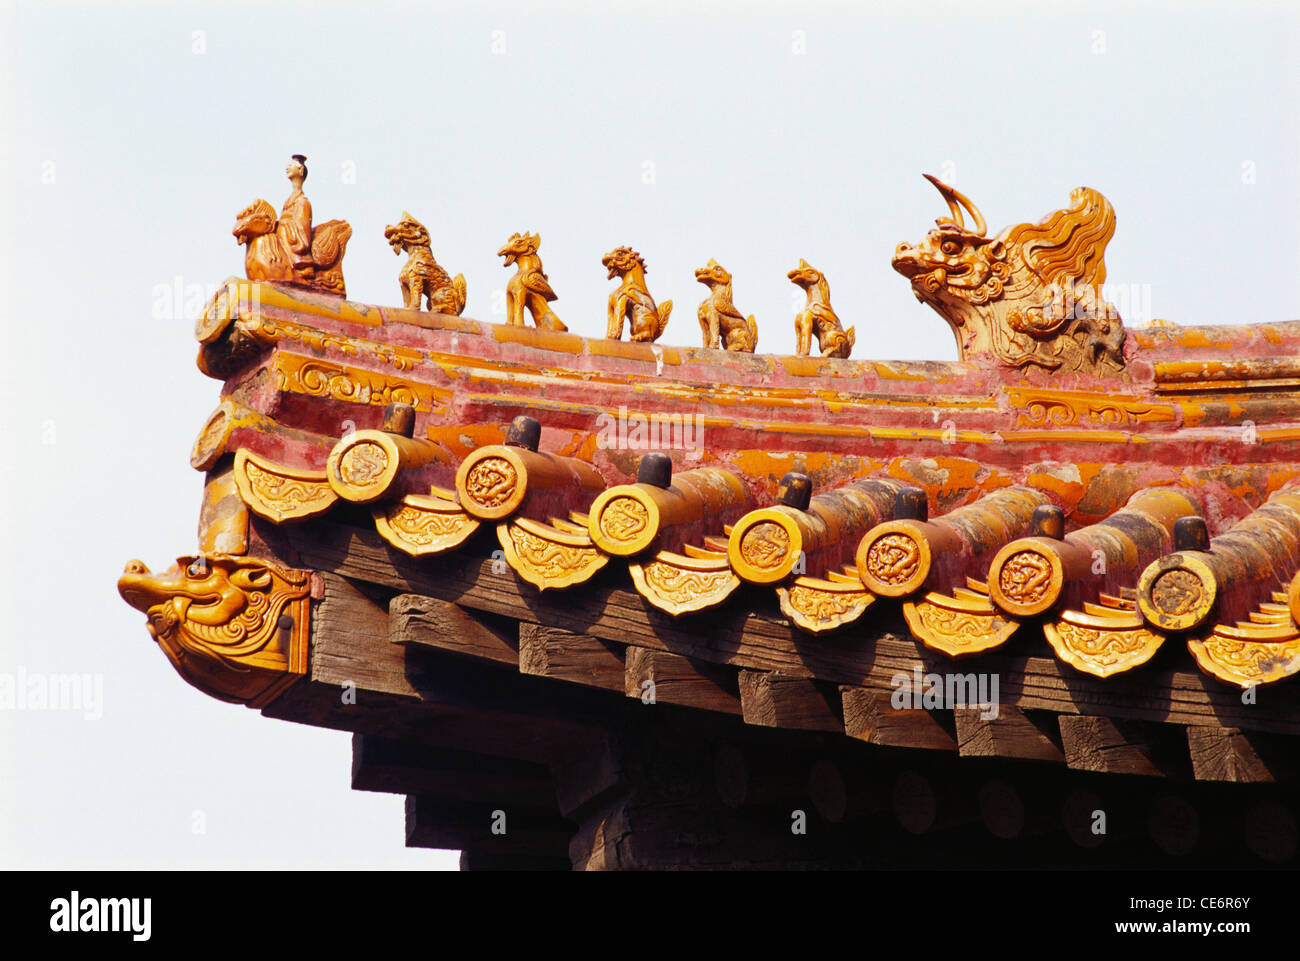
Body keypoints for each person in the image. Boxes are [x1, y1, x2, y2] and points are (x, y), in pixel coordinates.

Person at [277, 154, 314, 284]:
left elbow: (302, 227)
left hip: (293, 238)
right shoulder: (290, 200)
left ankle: (300, 266)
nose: (287, 167)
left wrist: (285, 223)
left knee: (282, 230)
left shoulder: (302, 202)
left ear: (300, 170)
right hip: (285, 232)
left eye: (291, 165)